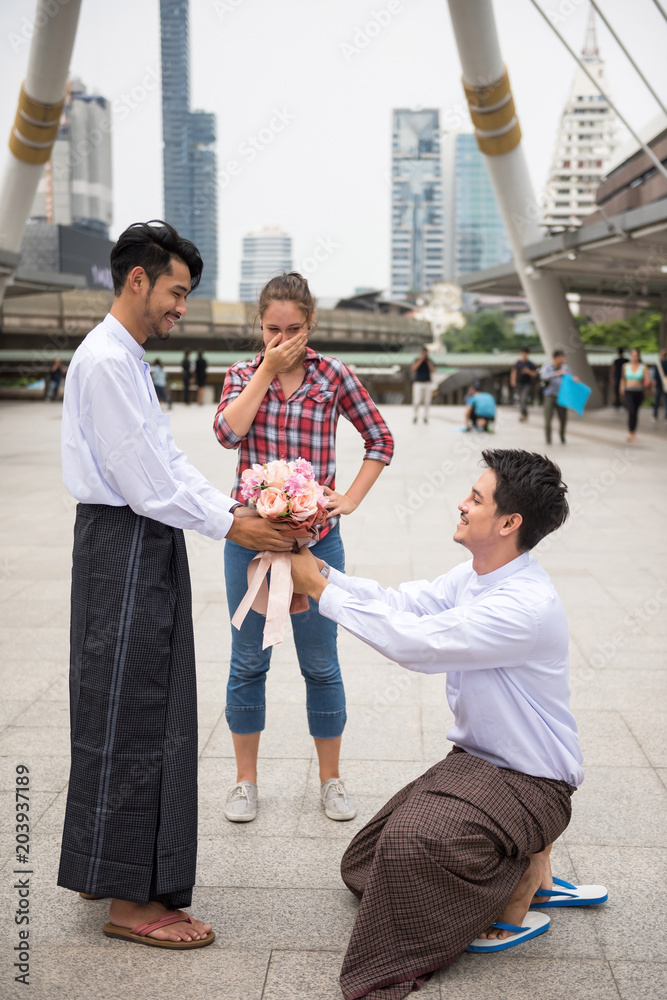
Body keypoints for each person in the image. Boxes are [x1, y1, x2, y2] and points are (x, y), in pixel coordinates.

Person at [58, 220, 294, 950]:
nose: (179, 307)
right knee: (135, 716)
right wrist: (234, 527)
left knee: (132, 709)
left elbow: (165, 459)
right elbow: (143, 477)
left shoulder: (126, 358)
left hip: (133, 542)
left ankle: (109, 866)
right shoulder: (106, 361)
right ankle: (132, 903)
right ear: (138, 280)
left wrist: (232, 508)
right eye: (175, 291)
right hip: (122, 541)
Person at [291, 449, 603, 1000]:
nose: (462, 504)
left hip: (534, 783)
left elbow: (419, 644)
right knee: (366, 860)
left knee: (413, 847)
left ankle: (522, 888)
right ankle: (531, 867)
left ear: (509, 524)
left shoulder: (523, 606)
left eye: (476, 499)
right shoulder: (477, 574)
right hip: (480, 764)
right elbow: (403, 604)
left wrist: (319, 592)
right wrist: (321, 574)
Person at [214, 271, 394, 824]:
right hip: (251, 539)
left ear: (310, 324)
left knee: (321, 663)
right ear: (260, 326)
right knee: (248, 662)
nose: (283, 338)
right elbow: (227, 433)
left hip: (317, 544)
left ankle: (331, 780)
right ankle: (245, 783)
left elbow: (379, 438)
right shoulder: (243, 372)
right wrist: (266, 371)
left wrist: (350, 499)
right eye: (272, 328)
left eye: (293, 328)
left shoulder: (332, 375)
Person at [620, 347, 650, 443]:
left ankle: (633, 432)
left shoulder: (643, 367)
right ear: (630, 356)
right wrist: (622, 387)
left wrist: (646, 384)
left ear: (638, 356)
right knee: (631, 411)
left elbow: (647, 379)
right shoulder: (625, 366)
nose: (634, 357)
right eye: (633, 355)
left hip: (638, 391)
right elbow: (623, 379)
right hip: (629, 391)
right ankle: (630, 432)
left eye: (636, 355)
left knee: (635, 412)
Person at [540, 349, 570, 445]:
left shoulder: (565, 368)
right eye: (561, 357)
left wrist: (574, 379)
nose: (563, 360)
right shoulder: (547, 367)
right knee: (548, 418)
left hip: (562, 396)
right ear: (556, 358)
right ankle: (548, 439)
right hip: (549, 395)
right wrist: (556, 373)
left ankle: (562, 436)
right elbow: (543, 376)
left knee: (563, 418)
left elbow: (569, 379)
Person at [510, 346, 538, 420]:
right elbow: (514, 372)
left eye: (525, 353)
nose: (524, 355)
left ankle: (523, 413)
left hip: (527, 384)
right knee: (520, 399)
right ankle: (523, 413)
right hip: (519, 383)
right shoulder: (518, 363)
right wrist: (513, 381)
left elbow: (535, 374)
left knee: (523, 398)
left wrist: (528, 371)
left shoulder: (530, 364)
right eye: (523, 353)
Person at [410, 346, 435, 424]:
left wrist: (428, 362)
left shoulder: (430, 361)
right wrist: (421, 359)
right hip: (418, 383)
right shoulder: (417, 360)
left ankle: (426, 416)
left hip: (427, 383)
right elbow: (414, 368)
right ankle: (415, 415)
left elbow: (433, 370)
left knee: (427, 401)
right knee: (417, 400)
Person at [651, 348, 667, 422]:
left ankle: (655, 416)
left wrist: (653, 387)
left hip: (659, 386)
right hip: (666, 385)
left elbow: (654, 377)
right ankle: (665, 417)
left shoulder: (658, 365)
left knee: (656, 401)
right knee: (666, 401)